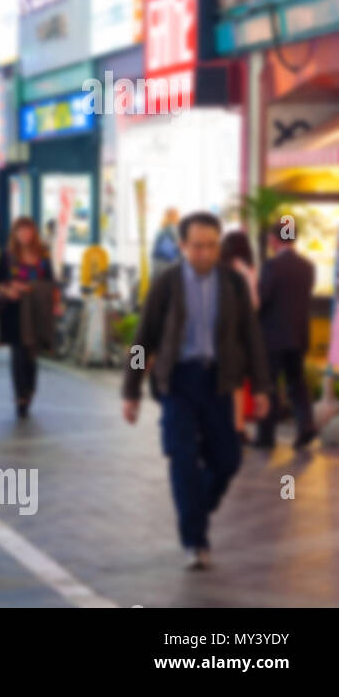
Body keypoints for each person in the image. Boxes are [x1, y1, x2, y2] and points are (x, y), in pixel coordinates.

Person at [122, 212, 270, 570]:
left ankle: (197, 511)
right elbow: (143, 338)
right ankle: (195, 540)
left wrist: (262, 387)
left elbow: (250, 337)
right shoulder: (167, 283)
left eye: (211, 245)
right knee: (183, 458)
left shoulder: (233, 282)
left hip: (219, 382)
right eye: (197, 246)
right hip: (179, 382)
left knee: (228, 460)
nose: (205, 253)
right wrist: (132, 390)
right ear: (183, 246)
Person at [0, 217, 58, 419]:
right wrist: (8, 289)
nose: (25, 234)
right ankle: (19, 396)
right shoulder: (8, 257)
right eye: (20, 231)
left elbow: (51, 283)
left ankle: (30, 389)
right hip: (14, 311)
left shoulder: (43, 256)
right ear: (15, 234)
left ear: (33, 233)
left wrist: (35, 291)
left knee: (30, 353)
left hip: (35, 312)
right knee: (17, 353)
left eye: (28, 230)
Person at [254, 226, 318, 450]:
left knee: (268, 384)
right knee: (297, 382)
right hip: (299, 335)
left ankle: (266, 437)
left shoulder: (272, 266)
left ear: (273, 239)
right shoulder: (307, 266)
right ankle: (306, 426)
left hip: (273, 337)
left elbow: (262, 300)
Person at [219, 230, 259, 443]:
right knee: (237, 382)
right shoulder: (247, 271)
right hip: (240, 333)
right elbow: (254, 303)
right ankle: (238, 427)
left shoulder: (219, 269)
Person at [151, 207, 182, 278]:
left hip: (157, 265)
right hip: (170, 266)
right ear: (176, 216)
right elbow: (180, 248)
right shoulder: (174, 229)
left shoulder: (160, 230)